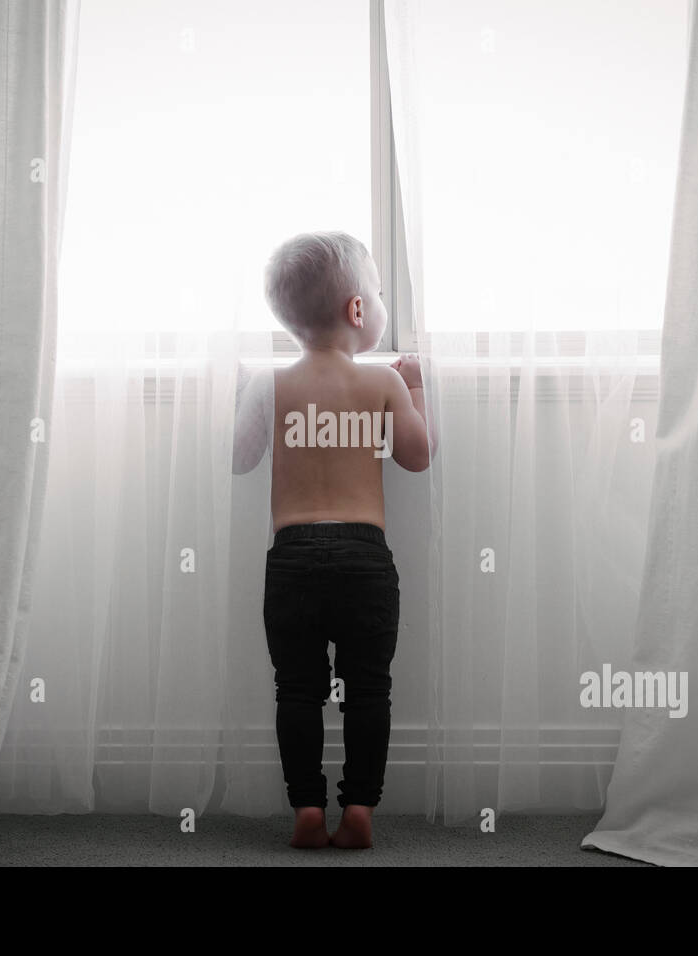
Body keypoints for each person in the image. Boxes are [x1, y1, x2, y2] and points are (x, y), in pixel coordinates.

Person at [233, 231, 433, 848]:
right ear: (356, 310)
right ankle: (360, 812)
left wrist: (242, 393)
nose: (379, 303)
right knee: (368, 687)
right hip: (363, 559)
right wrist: (416, 384)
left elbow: (239, 459)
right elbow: (417, 457)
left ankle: (307, 811)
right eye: (376, 293)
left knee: (296, 688)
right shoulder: (382, 384)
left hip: (291, 559)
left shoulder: (270, 385)